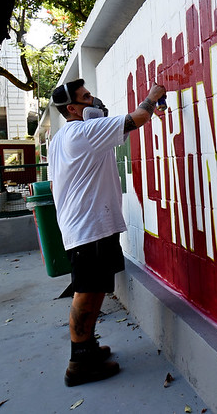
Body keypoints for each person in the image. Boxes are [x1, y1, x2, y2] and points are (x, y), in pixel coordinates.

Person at [47, 78, 166, 386]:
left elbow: (121, 131)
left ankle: (86, 347)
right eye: (86, 98)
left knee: (95, 287)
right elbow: (137, 118)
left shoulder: (67, 136)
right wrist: (152, 97)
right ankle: (79, 363)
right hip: (89, 228)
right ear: (72, 109)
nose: (94, 100)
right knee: (86, 291)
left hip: (91, 226)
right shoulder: (82, 132)